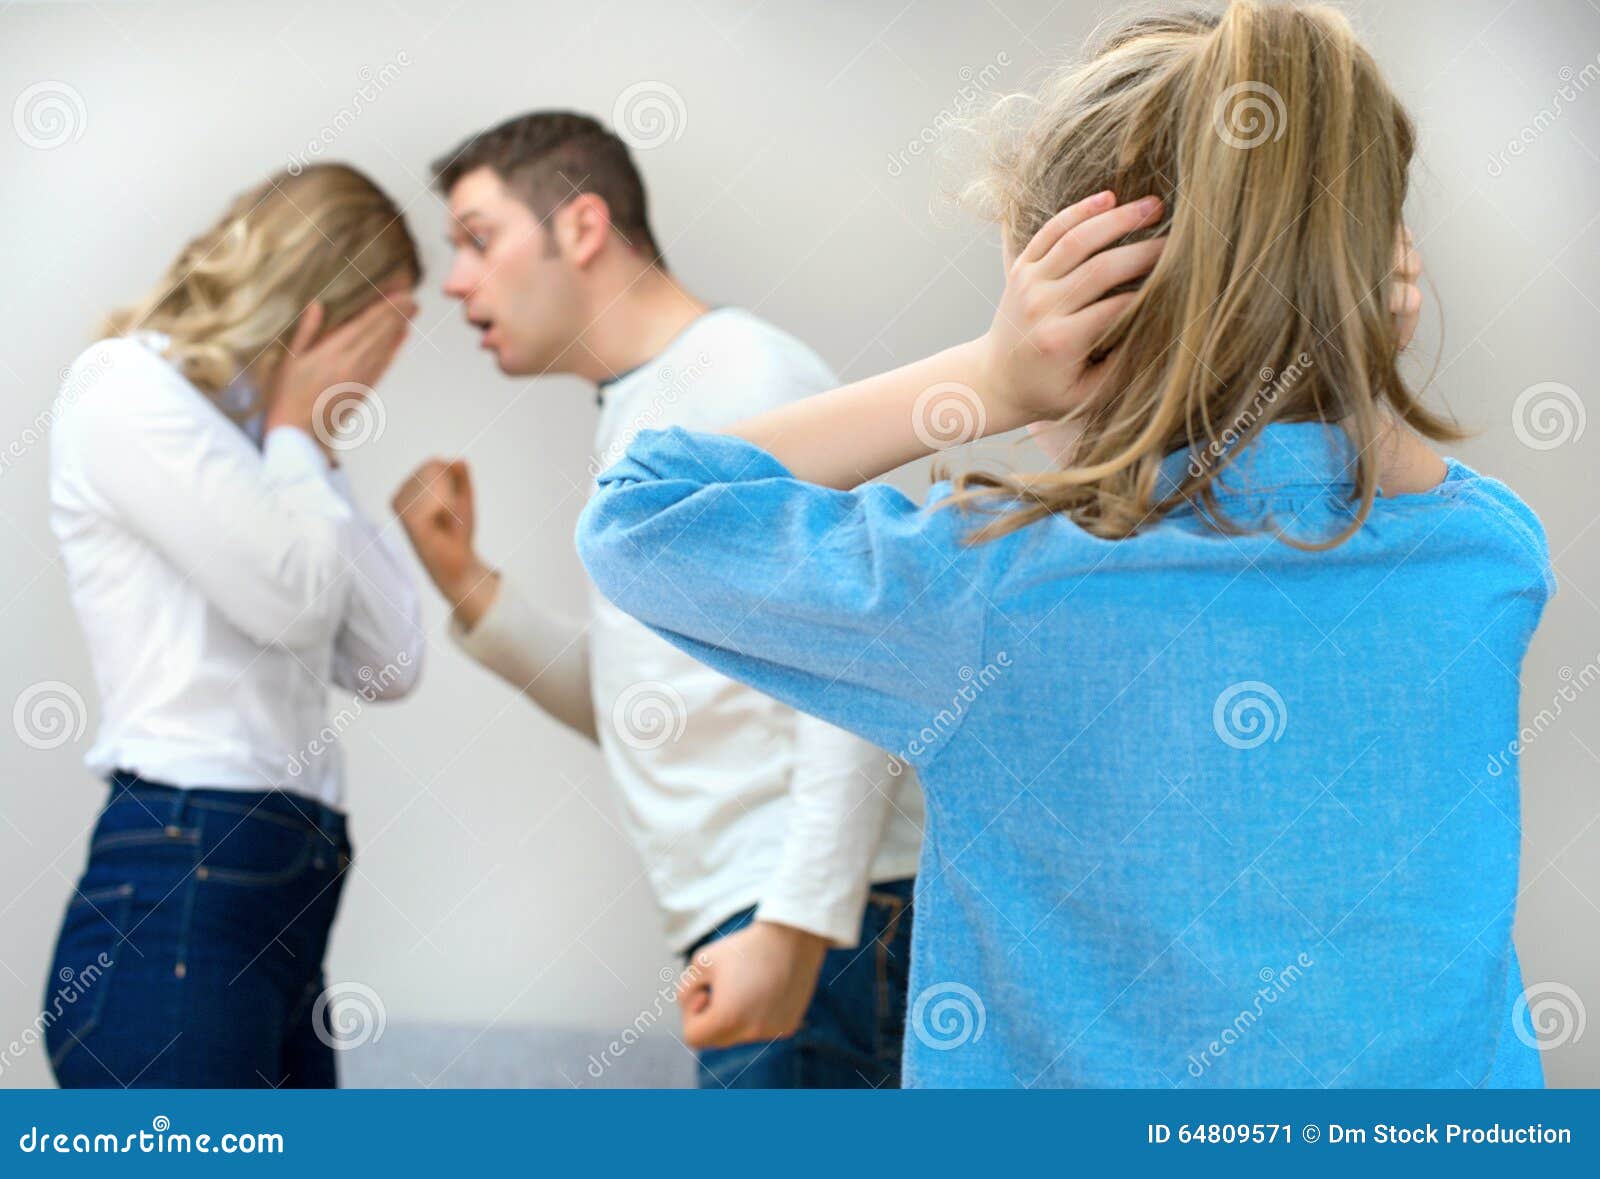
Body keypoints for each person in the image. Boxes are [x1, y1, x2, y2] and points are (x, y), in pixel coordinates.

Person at [576, 2, 1554, 1087]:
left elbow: (641, 514)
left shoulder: (1000, 587)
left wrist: (985, 378)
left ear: (1078, 334)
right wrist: (1338, 340)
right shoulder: (1491, 561)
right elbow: (1388, 475)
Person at [392, 112, 923, 1088]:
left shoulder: (739, 378)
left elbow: (863, 661)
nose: (456, 282)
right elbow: (657, 706)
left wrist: (795, 926)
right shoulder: (653, 401)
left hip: (812, 926)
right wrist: (468, 585)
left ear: (582, 227)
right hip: (779, 922)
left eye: (476, 239)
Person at [45, 163, 424, 1088]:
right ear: (317, 311)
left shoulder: (270, 446)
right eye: (381, 334)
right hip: (184, 874)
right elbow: (295, 600)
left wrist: (309, 440)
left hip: (282, 896)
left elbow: (391, 660)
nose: (383, 367)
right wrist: (298, 428)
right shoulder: (126, 389)